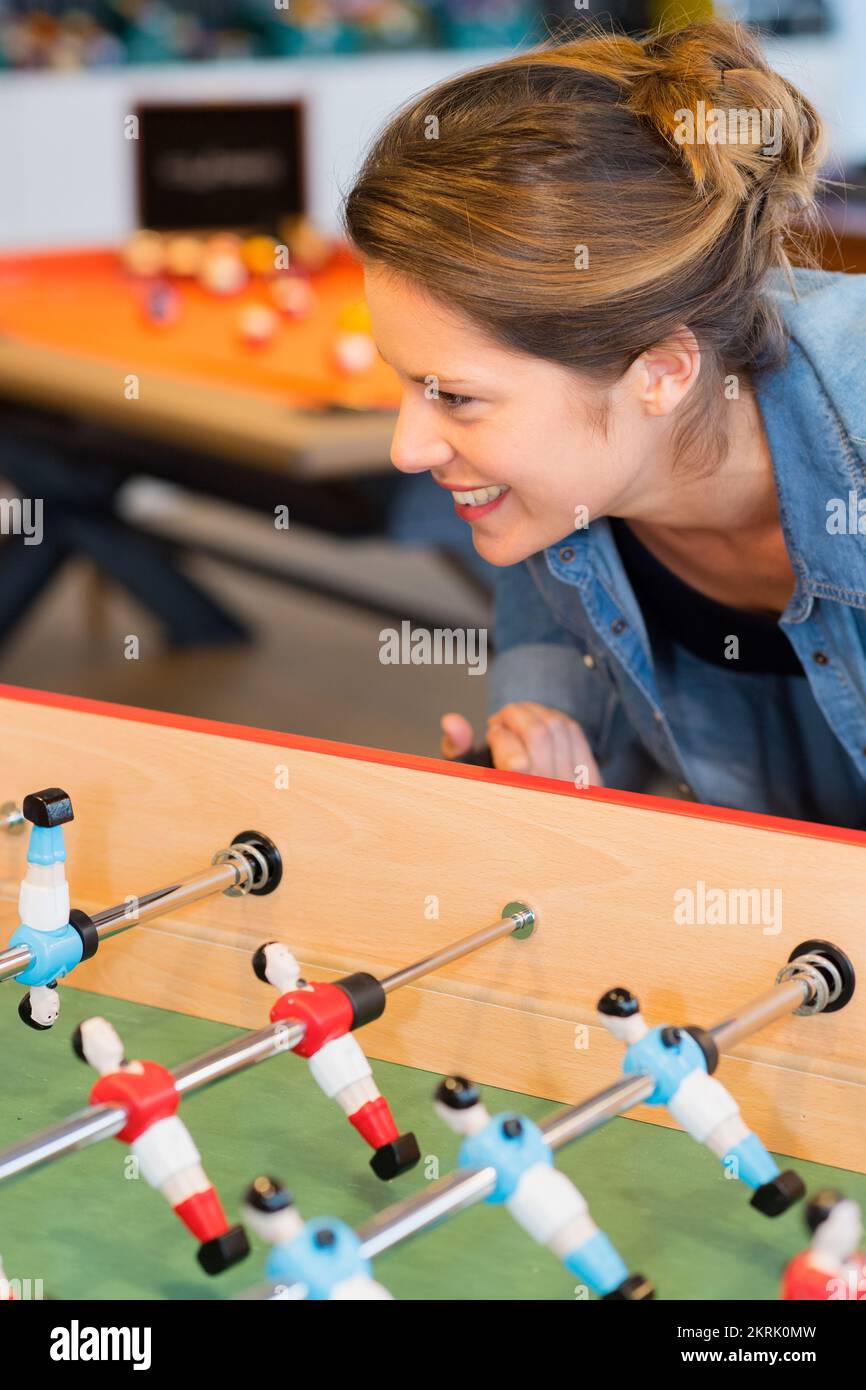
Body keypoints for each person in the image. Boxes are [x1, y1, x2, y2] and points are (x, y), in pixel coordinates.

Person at [342, 18, 866, 827]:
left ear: (660, 370)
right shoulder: (555, 504)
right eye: (407, 386)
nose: (406, 450)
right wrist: (545, 785)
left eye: (457, 397)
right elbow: (604, 752)